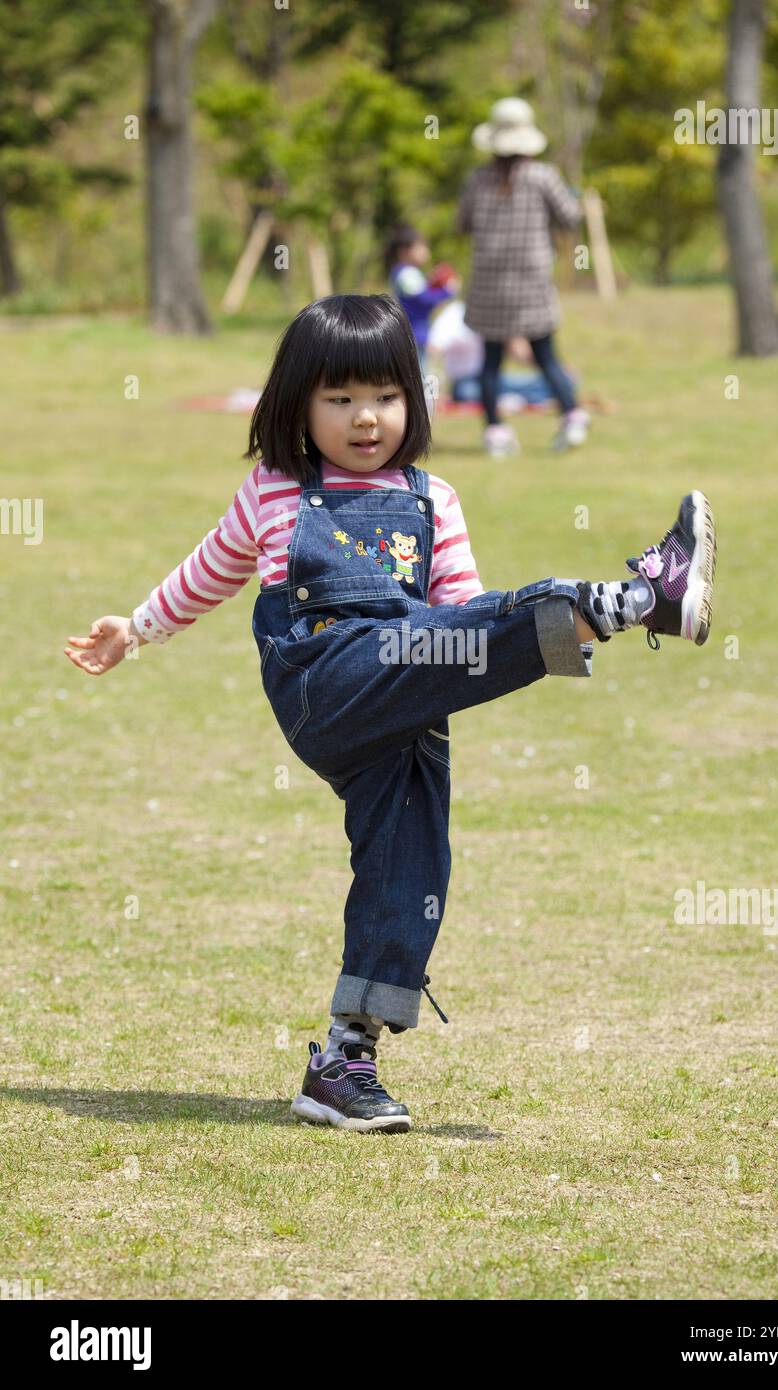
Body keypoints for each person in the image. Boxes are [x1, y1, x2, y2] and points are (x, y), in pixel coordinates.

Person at [63, 294, 717, 1134]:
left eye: (383, 396)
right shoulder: (272, 490)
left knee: (410, 871)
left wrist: (486, 651)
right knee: (425, 647)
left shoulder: (432, 498)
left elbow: (466, 618)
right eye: (338, 400)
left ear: (414, 399)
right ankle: (636, 597)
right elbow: (208, 571)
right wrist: (138, 627)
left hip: (408, 700)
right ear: (297, 406)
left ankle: (344, 1059)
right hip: (324, 678)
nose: (364, 418)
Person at [457, 97, 591, 458]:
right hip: (531, 280)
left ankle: (495, 431)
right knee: (546, 354)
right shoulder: (542, 175)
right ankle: (572, 414)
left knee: (490, 361)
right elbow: (569, 218)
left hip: (488, 282)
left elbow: (462, 223)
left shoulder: (477, 179)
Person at [426, 299, 578, 410]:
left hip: (495, 378)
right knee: (467, 393)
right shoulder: (454, 315)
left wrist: (556, 371)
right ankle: (513, 400)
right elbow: (432, 352)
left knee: (564, 382)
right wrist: (436, 391)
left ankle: (508, 399)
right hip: (466, 381)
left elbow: (518, 351)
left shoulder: (495, 315)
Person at [385, 225, 460, 377]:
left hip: (417, 334)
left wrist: (434, 282)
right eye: (421, 247)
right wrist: (447, 290)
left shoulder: (410, 273)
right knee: (418, 377)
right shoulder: (405, 273)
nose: (426, 252)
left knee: (419, 374)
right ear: (404, 251)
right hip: (411, 334)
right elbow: (423, 300)